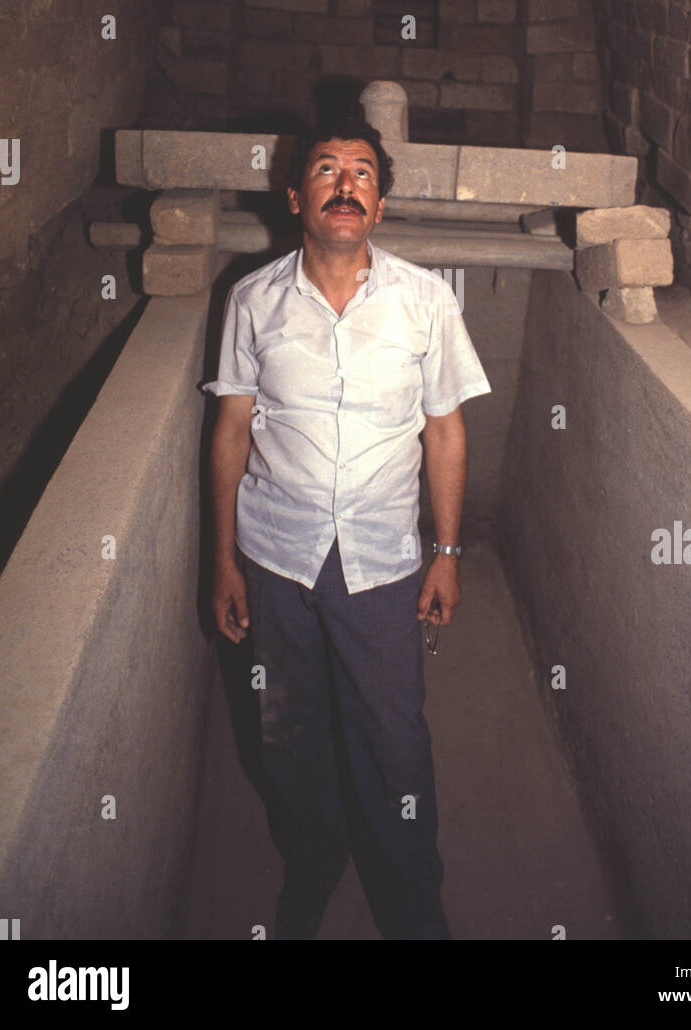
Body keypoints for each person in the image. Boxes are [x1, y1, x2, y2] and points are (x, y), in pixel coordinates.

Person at [202, 114, 491, 940]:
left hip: (382, 559)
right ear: (296, 196)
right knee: (286, 726)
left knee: (391, 733)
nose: (345, 185)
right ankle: (313, 856)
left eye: (363, 173)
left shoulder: (426, 301)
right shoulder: (253, 301)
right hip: (276, 554)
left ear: (381, 202)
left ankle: (409, 891)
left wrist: (445, 553)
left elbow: (445, 430)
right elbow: (230, 429)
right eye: (326, 170)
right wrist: (221, 560)